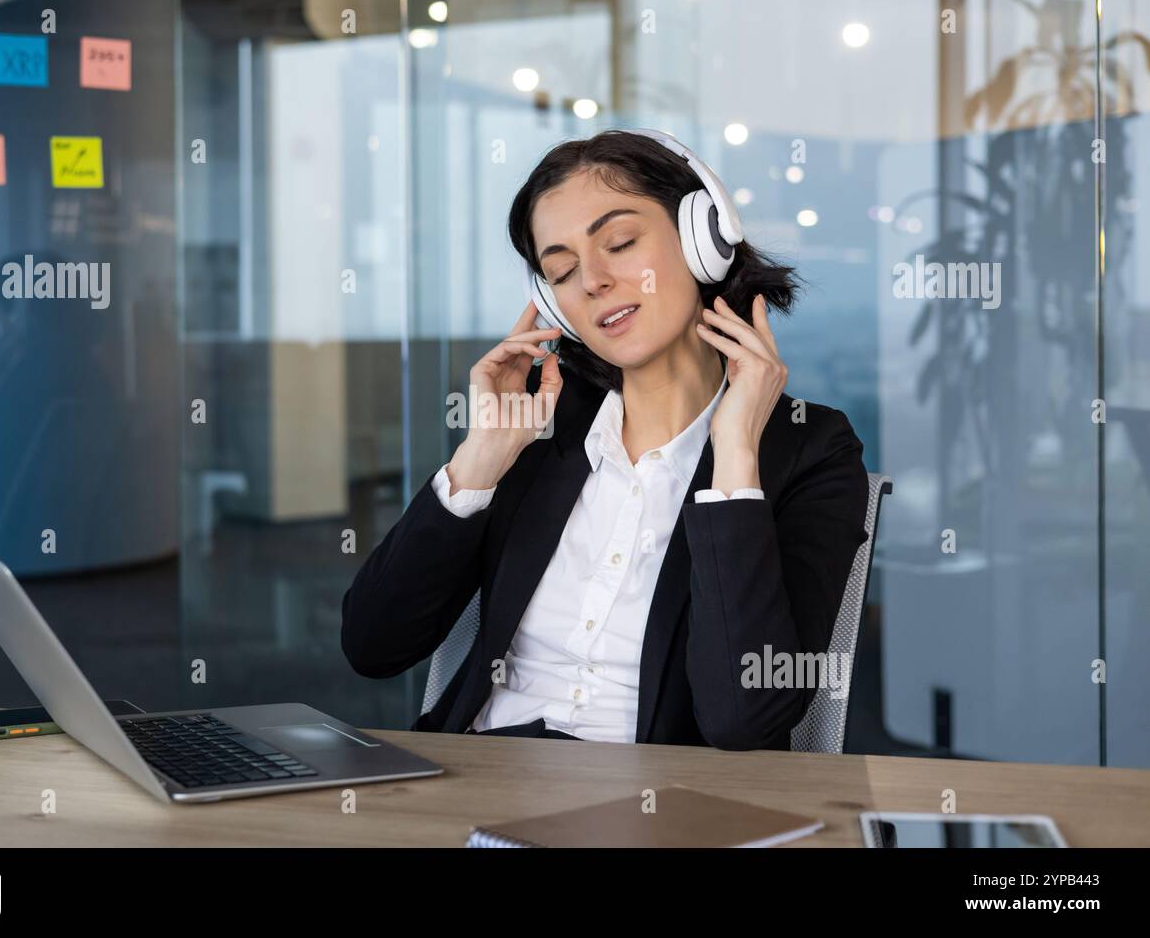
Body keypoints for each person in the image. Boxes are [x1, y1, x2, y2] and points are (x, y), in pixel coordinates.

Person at [342, 129, 870, 751]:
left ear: (704, 241)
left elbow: (742, 720)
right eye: (561, 270)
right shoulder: (538, 436)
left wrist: (734, 456)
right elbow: (373, 648)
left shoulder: (808, 452)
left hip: (663, 807)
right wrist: (480, 460)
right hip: (478, 783)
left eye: (619, 243)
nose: (591, 280)